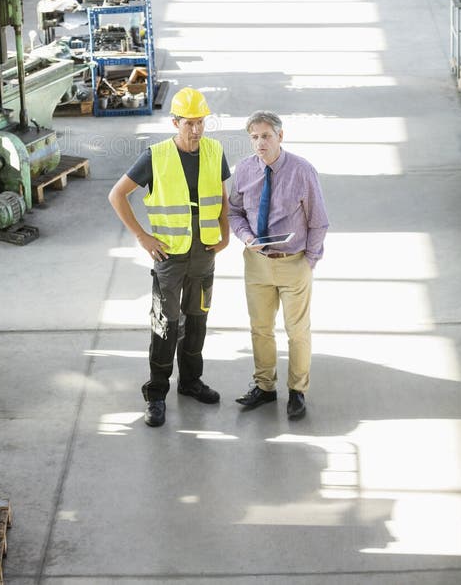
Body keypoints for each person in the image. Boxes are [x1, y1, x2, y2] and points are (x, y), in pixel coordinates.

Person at [108, 87, 230, 427]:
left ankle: (190, 382)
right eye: (189, 123)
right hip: (170, 256)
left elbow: (222, 197)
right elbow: (117, 195)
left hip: (204, 252)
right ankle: (157, 393)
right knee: (165, 325)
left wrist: (226, 237)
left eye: (201, 122)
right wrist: (142, 236)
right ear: (175, 122)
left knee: (197, 321)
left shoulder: (214, 151)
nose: (196, 129)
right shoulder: (156, 156)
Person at [228, 111, 329, 420]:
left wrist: (308, 261)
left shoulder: (302, 171)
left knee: (297, 331)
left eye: (266, 136)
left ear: (280, 137)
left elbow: (319, 221)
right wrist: (247, 238)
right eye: (255, 137)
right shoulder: (244, 171)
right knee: (260, 328)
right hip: (257, 263)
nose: (260, 143)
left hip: (293, 262)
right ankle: (265, 386)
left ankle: (297, 391)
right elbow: (233, 212)